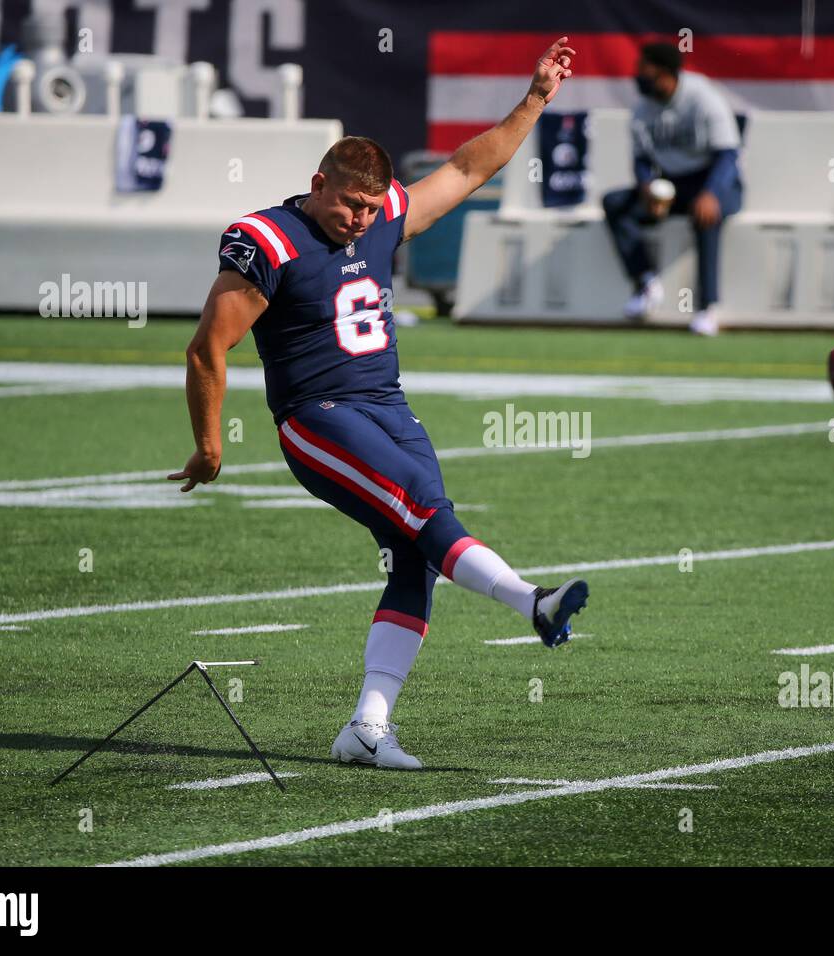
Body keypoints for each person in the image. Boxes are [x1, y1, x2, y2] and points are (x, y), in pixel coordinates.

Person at [168, 38, 588, 771]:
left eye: (371, 208)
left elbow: (466, 166)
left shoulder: (390, 209)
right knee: (427, 505)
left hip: (386, 405)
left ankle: (367, 727)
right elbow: (209, 347)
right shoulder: (268, 239)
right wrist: (210, 445)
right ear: (317, 182)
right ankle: (533, 603)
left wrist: (534, 98)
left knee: (418, 558)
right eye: (349, 204)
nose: (362, 219)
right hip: (317, 417)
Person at [602, 42, 743, 336]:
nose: (639, 77)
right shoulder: (643, 108)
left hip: (713, 180)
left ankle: (706, 308)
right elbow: (641, 159)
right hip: (671, 186)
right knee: (615, 203)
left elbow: (727, 154)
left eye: (645, 72)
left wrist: (711, 193)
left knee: (705, 215)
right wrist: (647, 189)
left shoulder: (702, 97)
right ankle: (645, 282)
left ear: (666, 75)